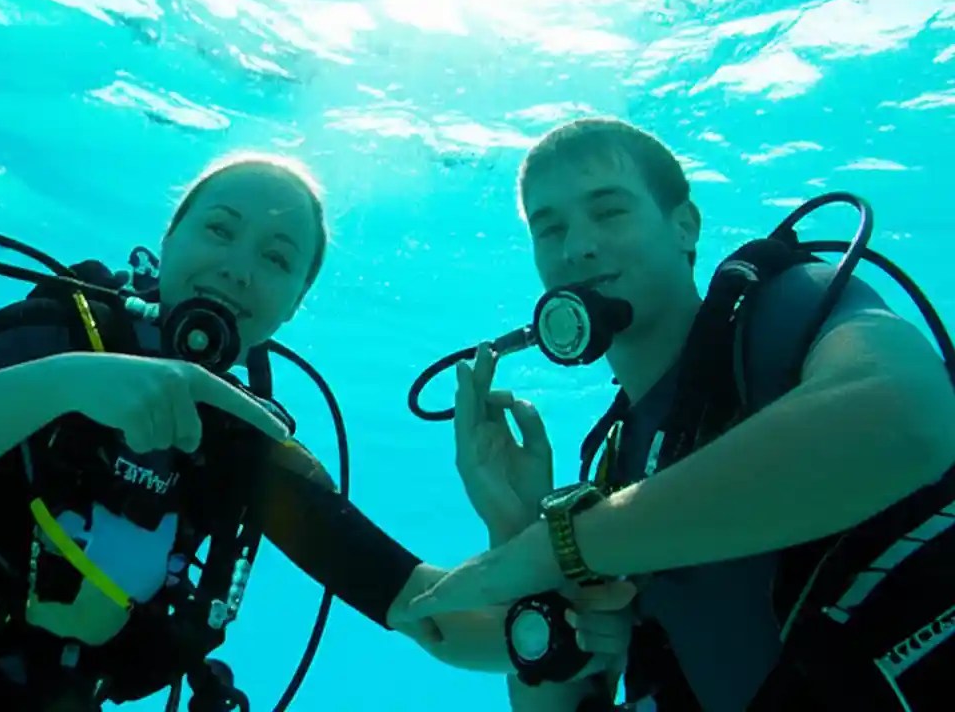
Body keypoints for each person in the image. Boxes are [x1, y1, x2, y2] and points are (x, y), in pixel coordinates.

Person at [0, 153, 488, 711]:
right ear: (169, 238)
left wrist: (564, 572)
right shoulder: (60, 335)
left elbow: (420, 605)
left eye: (278, 258)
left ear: (295, 301)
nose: (237, 267)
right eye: (219, 230)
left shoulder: (242, 445)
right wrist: (69, 382)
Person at [395, 118, 955, 711]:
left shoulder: (786, 311)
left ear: (684, 226)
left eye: (608, 212)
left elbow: (906, 418)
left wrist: (554, 547)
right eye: (548, 227)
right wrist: (512, 521)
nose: (576, 246)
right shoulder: (609, 465)